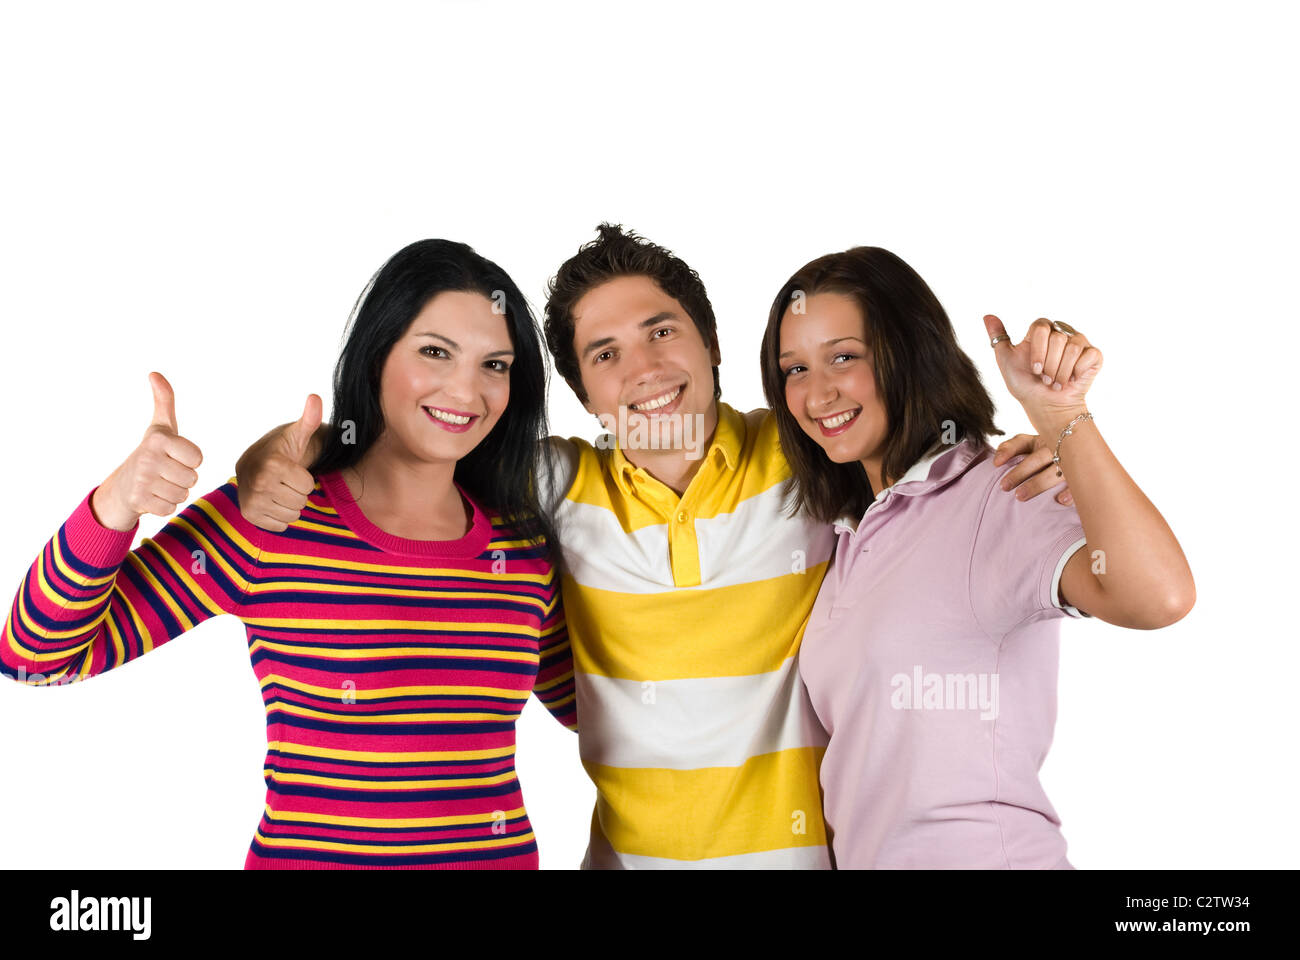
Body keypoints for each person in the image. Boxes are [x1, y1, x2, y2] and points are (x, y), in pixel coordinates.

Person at [235, 225, 1068, 869]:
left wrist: (1025, 450)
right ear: (580, 391)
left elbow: (917, 463)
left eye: (663, 332)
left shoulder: (809, 452)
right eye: (606, 354)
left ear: (710, 343)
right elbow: (420, 435)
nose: (644, 368)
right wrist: (277, 451)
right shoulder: (552, 488)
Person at [0, 239, 577, 869]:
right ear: (376, 354)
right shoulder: (272, 513)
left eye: (495, 364)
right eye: (435, 352)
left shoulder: (521, 546)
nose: (467, 390)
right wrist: (117, 502)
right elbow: (36, 658)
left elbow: (599, 709)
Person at [760, 245, 1195, 869]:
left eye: (845, 357)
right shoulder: (851, 533)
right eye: (794, 369)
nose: (817, 392)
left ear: (909, 353)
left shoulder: (998, 489)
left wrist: (1062, 415)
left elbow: (1158, 597)